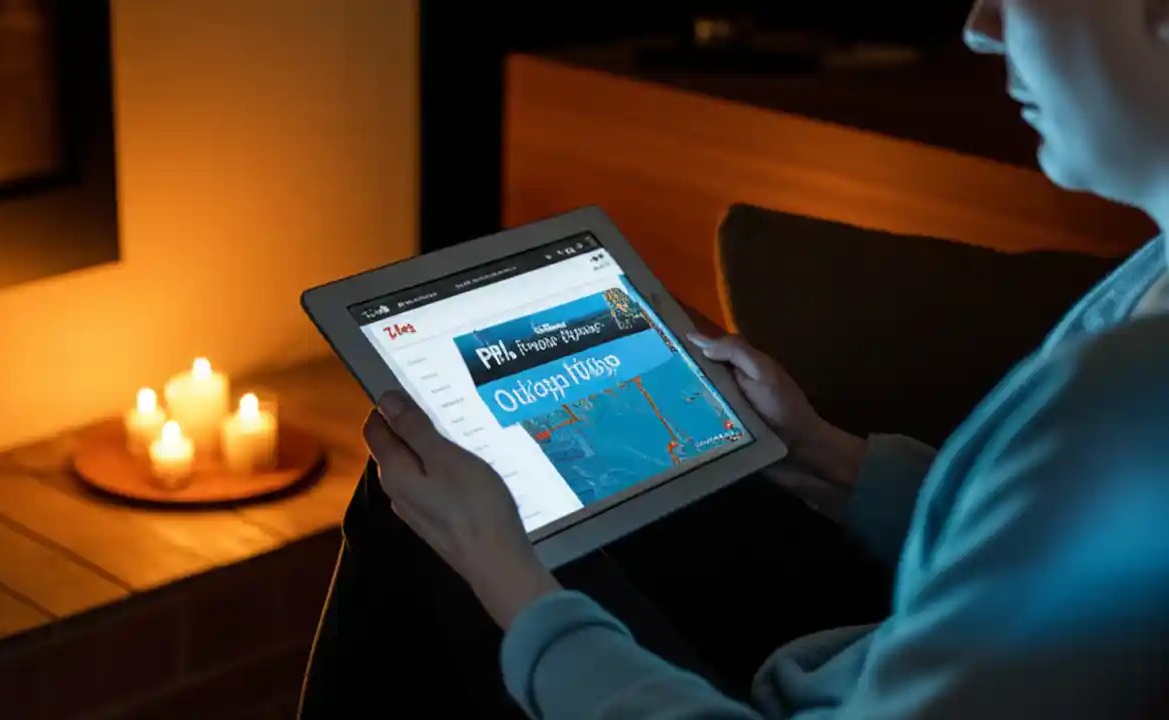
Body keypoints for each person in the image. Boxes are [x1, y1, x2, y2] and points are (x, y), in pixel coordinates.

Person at [302, 0, 1169, 716]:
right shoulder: (1153, 282)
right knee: (663, 479)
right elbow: (1044, 575)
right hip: (856, 646)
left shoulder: (1129, 401)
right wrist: (820, 455)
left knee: (417, 507)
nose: (981, 24)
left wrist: (505, 575)